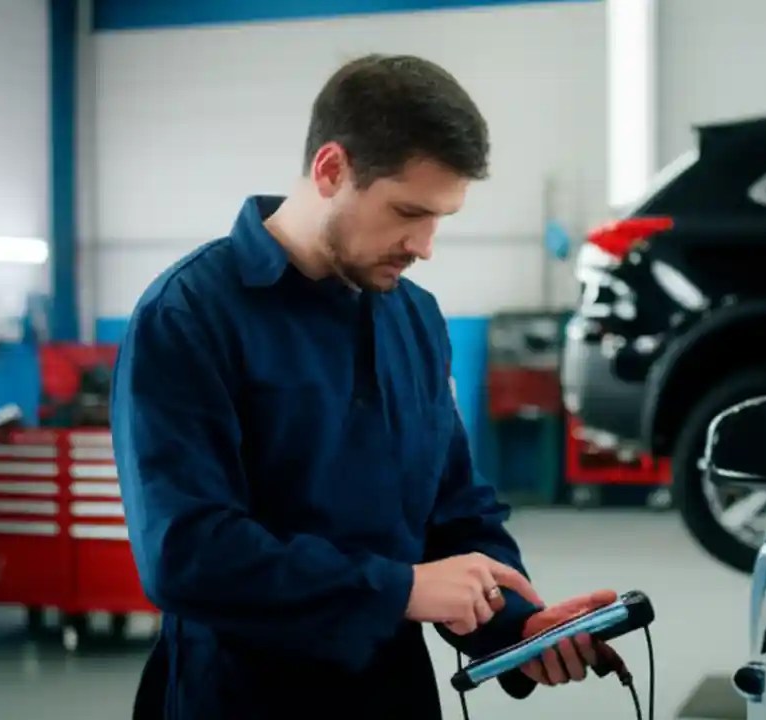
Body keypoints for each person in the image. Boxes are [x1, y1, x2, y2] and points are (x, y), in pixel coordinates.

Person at [112, 53, 621, 719]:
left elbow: (456, 513)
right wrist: (401, 589)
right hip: (237, 697)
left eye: (441, 217)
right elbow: (186, 552)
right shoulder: (188, 316)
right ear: (331, 170)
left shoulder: (415, 318)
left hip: (392, 695)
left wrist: (519, 629)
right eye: (408, 211)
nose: (425, 245)